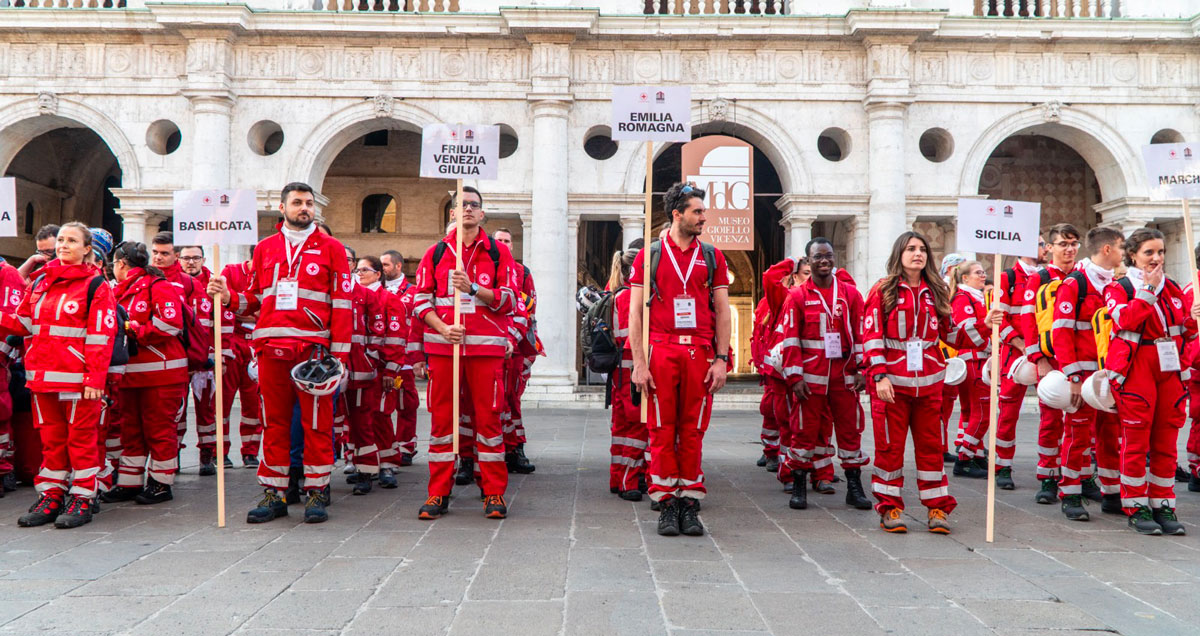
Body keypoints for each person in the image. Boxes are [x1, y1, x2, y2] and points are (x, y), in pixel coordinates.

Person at [208, 182, 353, 524]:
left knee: (316, 425)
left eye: (309, 203)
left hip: (313, 351)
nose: (305, 208)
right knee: (273, 424)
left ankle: (316, 492)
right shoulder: (264, 248)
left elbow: (344, 305)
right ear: (282, 206)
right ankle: (274, 493)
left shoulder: (331, 248)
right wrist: (228, 297)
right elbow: (255, 301)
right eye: (298, 202)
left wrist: (340, 357)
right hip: (271, 349)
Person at [862, 231, 995, 534]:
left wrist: (984, 326)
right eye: (911, 249)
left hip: (930, 382)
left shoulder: (935, 291)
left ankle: (937, 507)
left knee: (931, 447)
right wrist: (879, 375)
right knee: (889, 449)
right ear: (900, 254)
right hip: (892, 384)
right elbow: (871, 336)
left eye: (922, 249)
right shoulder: (883, 290)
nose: (918, 254)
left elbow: (952, 335)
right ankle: (889, 507)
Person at [629, 182, 732, 537]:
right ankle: (666, 503)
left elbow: (722, 310)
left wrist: (721, 358)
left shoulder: (713, 256)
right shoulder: (649, 255)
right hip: (662, 348)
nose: (704, 217)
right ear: (678, 214)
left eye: (703, 211)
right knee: (660, 428)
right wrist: (639, 363)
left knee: (693, 429)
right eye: (697, 211)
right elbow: (635, 315)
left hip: (700, 352)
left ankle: (689, 501)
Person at [0, 223, 116, 528]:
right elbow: (23, 324)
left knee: (81, 441)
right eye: (61, 240)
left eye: (72, 241)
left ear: (87, 249)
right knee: (51, 442)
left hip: (77, 380)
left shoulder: (96, 285)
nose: (64, 245)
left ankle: (83, 497)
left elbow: (101, 336)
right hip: (42, 378)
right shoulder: (40, 282)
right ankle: (51, 494)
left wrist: (94, 379)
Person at [412, 186, 517, 520]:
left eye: (474, 205)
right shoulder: (436, 253)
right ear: (452, 212)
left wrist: (473, 288)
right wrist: (443, 328)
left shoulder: (499, 253)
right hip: (445, 350)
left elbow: (510, 301)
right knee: (442, 422)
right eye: (462, 205)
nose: (468, 209)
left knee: (489, 423)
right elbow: (419, 301)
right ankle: (437, 493)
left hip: (486, 353)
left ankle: (494, 492)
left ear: (482, 213)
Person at [1104, 228, 1193, 535]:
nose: (1157, 259)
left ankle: (1163, 502)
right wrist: (1148, 291)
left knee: (1167, 436)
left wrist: (1193, 318)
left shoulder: (1173, 287)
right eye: (1149, 253)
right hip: (1136, 366)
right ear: (1132, 255)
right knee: (1136, 436)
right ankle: (1136, 503)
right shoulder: (1120, 287)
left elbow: (1184, 328)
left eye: (1161, 252)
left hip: (1169, 366)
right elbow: (1126, 320)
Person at [775, 238, 871, 511]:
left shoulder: (850, 295)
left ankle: (854, 487)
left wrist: (863, 368)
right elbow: (790, 339)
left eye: (828, 255)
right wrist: (794, 377)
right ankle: (799, 486)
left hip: (844, 375)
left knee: (851, 431)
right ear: (808, 260)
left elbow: (861, 333)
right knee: (803, 432)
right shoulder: (797, 296)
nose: (824, 261)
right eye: (818, 257)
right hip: (811, 377)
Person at [101, 241, 188, 505]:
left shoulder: (158, 286)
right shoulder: (117, 291)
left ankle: (161, 483)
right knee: (131, 430)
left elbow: (170, 324)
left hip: (162, 375)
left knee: (159, 430)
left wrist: (132, 329)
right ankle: (130, 482)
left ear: (121, 264)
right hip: (130, 375)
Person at [1051, 226, 1125, 520]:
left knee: (1111, 435)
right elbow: (1061, 333)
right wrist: (1072, 377)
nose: (1124, 253)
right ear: (1107, 249)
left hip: (1110, 375)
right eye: (1121, 247)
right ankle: (1069, 493)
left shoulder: (1118, 284)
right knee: (1077, 434)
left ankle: (1111, 492)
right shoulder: (1075, 284)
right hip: (1083, 376)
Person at [1018, 223, 1081, 505]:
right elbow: (1028, 321)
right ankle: (1047, 477)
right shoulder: (1038, 278)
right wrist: (1038, 358)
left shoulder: (1083, 277)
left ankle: (1079, 477)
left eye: (1073, 243)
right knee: (1050, 420)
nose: (1069, 249)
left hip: (1081, 358)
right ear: (1050, 248)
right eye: (1063, 244)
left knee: (1081, 423)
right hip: (1051, 358)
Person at [151, 233, 216, 472]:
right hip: (165, 358)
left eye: (164, 253)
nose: (158, 257)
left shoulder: (189, 284)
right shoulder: (148, 279)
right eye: (155, 252)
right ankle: (173, 455)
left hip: (194, 357)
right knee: (174, 410)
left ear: (174, 256)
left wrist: (206, 355)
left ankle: (207, 455)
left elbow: (203, 323)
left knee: (206, 408)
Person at [991, 236, 1048, 489]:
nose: (1045, 248)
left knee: (1052, 411)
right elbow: (998, 319)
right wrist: (1020, 344)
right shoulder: (1008, 278)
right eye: (1039, 244)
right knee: (1008, 411)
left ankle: (1049, 471)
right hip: (1016, 352)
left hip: (1046, 354)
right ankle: (1002, 465)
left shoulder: (1049, 276)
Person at [493, 228, 537, 474]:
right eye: (498, 240)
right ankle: (475, 456)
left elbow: (529, 308)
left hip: (516, 346)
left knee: (512, 399)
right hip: (488, 343)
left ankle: (515, 449)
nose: (503, 244)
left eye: (507, 241)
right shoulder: (484, 267)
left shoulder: (522, 272)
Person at [606, 249, 646, 500]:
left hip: (619, 369)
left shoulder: (616, 294)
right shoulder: (634, 296)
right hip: (633, 367)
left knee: (621, 427)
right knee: (638, 427)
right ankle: (629, 481)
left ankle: (616, 476)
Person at [947, 260, 992, 479]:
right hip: (974, 361)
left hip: (975, 360)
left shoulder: (973, 297)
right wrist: (990, 336)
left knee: (969, 412)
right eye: (978, 273)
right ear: (964, 278)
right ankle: (964, 457)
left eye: (983, 272)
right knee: (983, 413)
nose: (983, 276)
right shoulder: (963, 298)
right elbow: (966, 331)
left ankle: (975, 453)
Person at [219, 252, 262, 468]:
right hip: (233, 341)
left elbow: (267, 310)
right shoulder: (231, 272)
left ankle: (251, 451)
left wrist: (249, 313)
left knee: (254, 403)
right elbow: (224, 305)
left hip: (257, 342)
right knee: (224, 401)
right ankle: (222, 451)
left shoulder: (268, 274)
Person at [381, 249, 420, 465]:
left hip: (405, 358)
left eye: (386, 264)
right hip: (383, 357)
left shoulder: (412, 292)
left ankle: (406, 446)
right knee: (382, 405)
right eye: (381, 265)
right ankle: (386, 447)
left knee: (407, 403)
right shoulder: (377, 290)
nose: (383, 268)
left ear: (398, 266)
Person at [937, 253, 970, 461]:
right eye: (961, 267)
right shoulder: (943, 289)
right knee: (941, 405)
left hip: (957, 352)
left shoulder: (959, 291)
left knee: (949, 403)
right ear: (950, 270)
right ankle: (939, 447)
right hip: (943, 352)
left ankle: (954, 443)